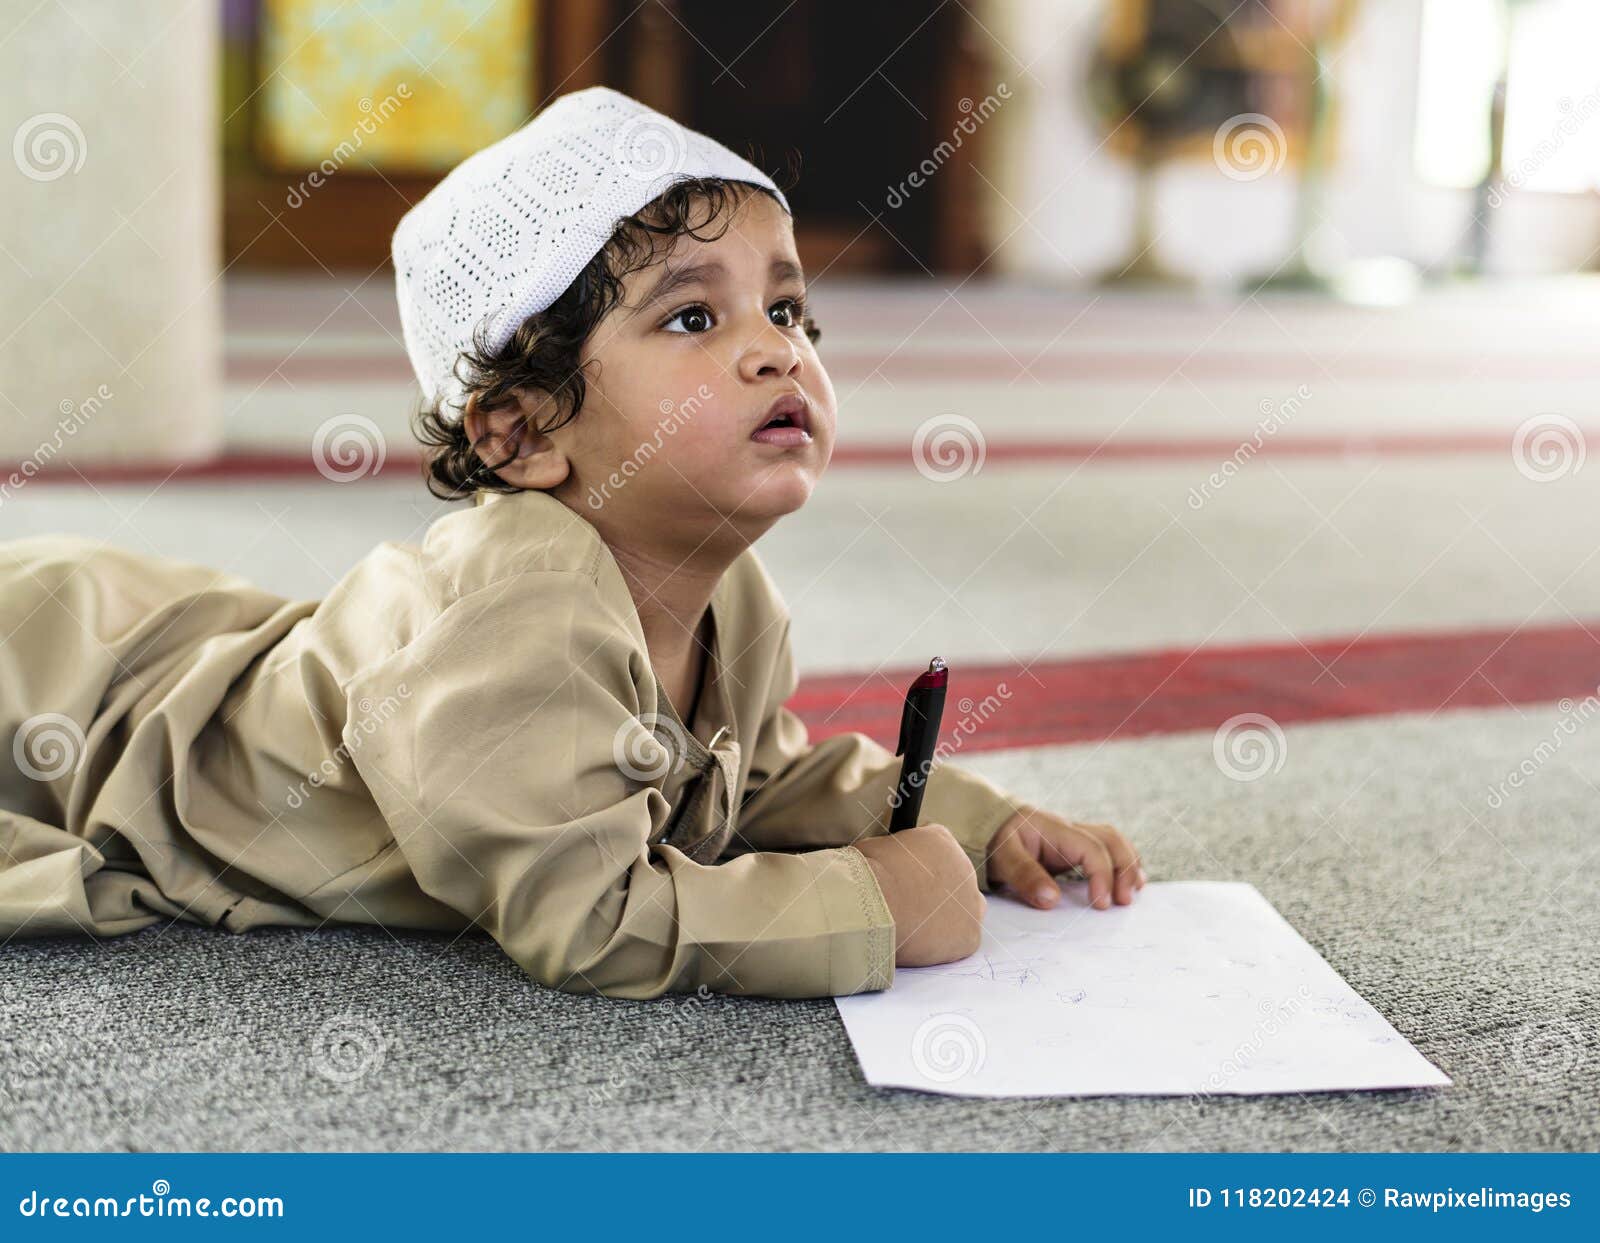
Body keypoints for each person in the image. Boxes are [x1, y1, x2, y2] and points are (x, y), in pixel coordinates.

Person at [0, 87, 1143, 1000]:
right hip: (65, 684)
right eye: (694, 318)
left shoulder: (731, 599)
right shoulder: (517, 617)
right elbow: (592, 920)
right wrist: (870, 907)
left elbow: (758, 780)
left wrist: (976, 823)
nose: (776, 351)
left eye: (789, 310)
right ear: (522, 431)